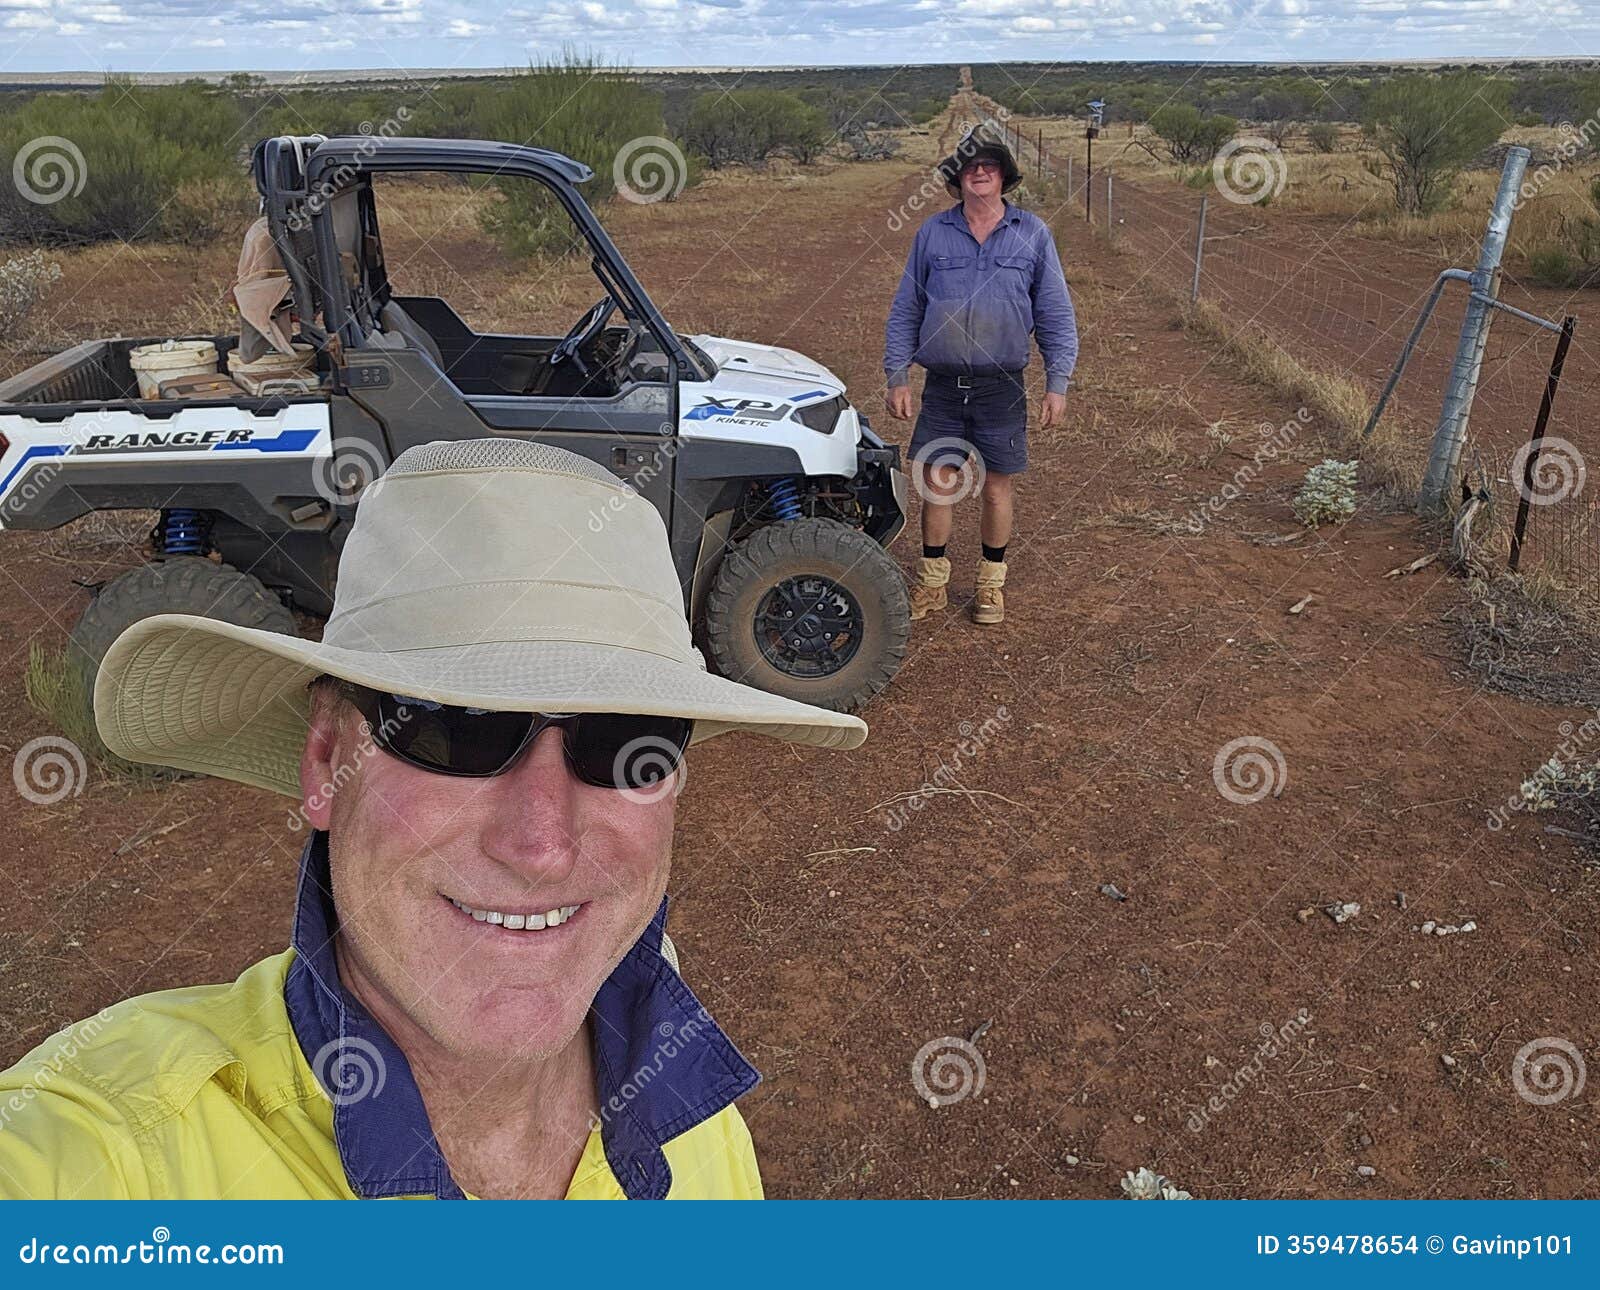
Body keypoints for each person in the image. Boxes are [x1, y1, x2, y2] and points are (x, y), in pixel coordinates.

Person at [0, 438, 867, 1200]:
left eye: (624, 740)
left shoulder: (688, 1107)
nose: (541, 845)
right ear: (326, 762)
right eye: (454, 728)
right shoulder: (110, 1156)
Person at [884, 124, 1079, 626]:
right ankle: (932, 586)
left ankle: (991, 586)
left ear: (1003, 176)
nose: (980, 171)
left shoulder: (1033, 233)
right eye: (971, 165)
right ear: (959, 177)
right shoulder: (932, 233)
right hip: (944, 386)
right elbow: (907, 306)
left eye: (989, 164)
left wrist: (1057, 383)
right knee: (937, 483)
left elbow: (1056, 313)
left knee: (996, 487)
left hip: (1002, 386)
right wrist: (897, 374)